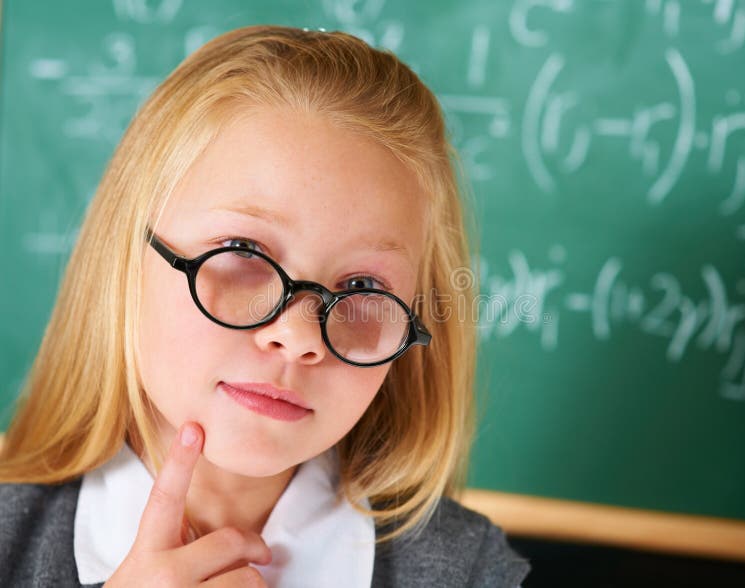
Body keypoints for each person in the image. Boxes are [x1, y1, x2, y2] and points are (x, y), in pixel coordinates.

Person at [0, 25, 530, 587]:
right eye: (241, 251)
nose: (299, 336)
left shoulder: (469, 570)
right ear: (128, 253)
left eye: (361, 289)